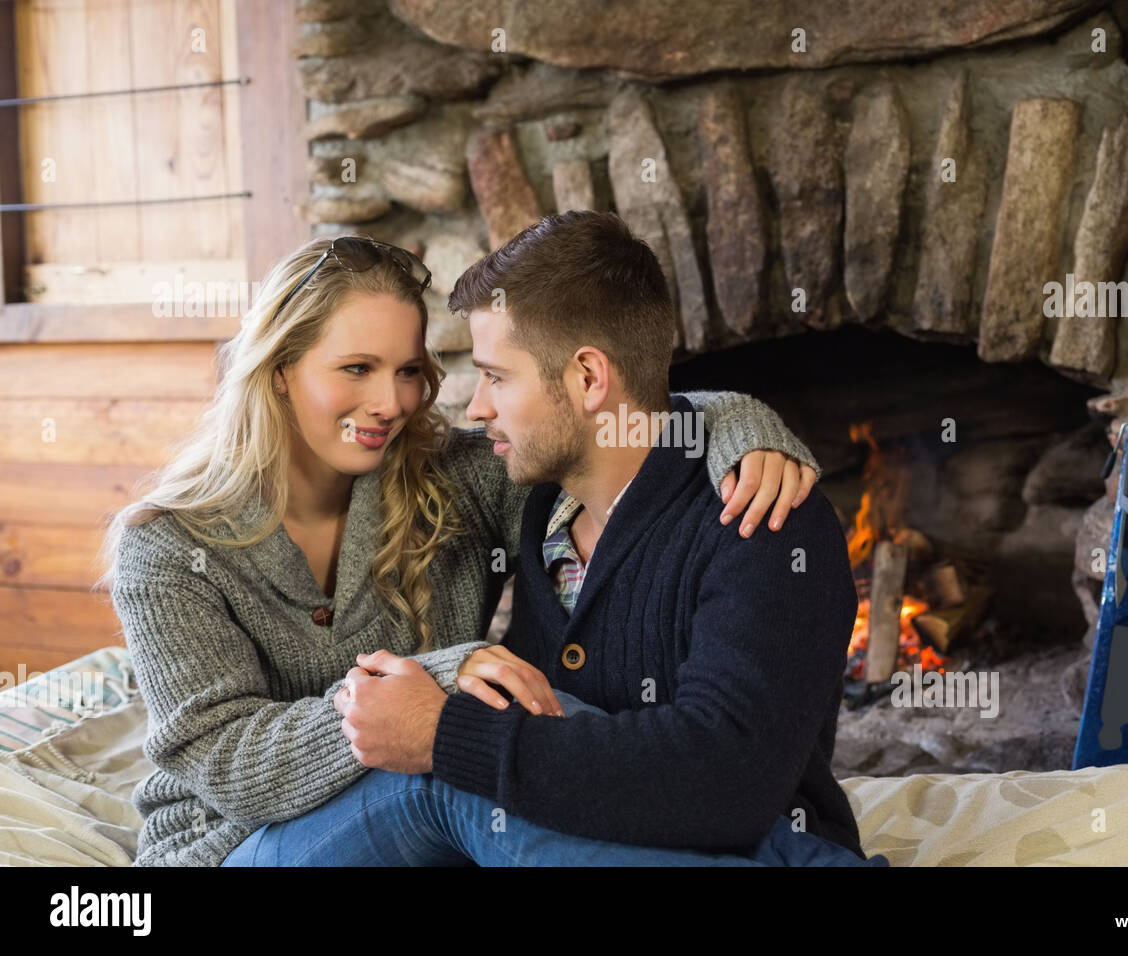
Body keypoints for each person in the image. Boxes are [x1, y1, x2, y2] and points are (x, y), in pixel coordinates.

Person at [100, 232, 824, 867]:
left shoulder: (453, 481)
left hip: (425, 838)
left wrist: (743, 426)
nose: (391, 402)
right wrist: (440, 680)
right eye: (357, 368)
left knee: (512, 748)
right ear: (280, 368)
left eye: (409, 370)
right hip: (235, 843)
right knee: (456, 763)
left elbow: (611, 424)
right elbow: (232, 769)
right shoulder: (165, 546)